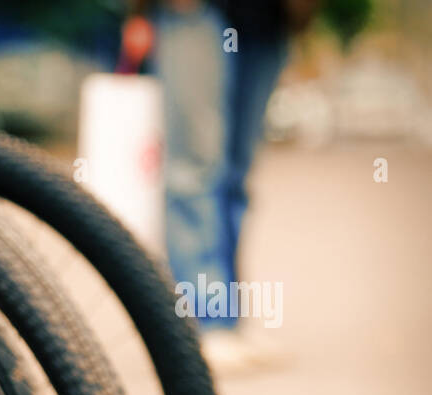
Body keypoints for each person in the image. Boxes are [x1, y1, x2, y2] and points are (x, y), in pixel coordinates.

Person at [125, 0, 319, 371]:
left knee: (235, 175)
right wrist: (138, 12)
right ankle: (203, 322)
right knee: (194, 168)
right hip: (192, 10)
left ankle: (229, 322)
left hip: (268, 18)